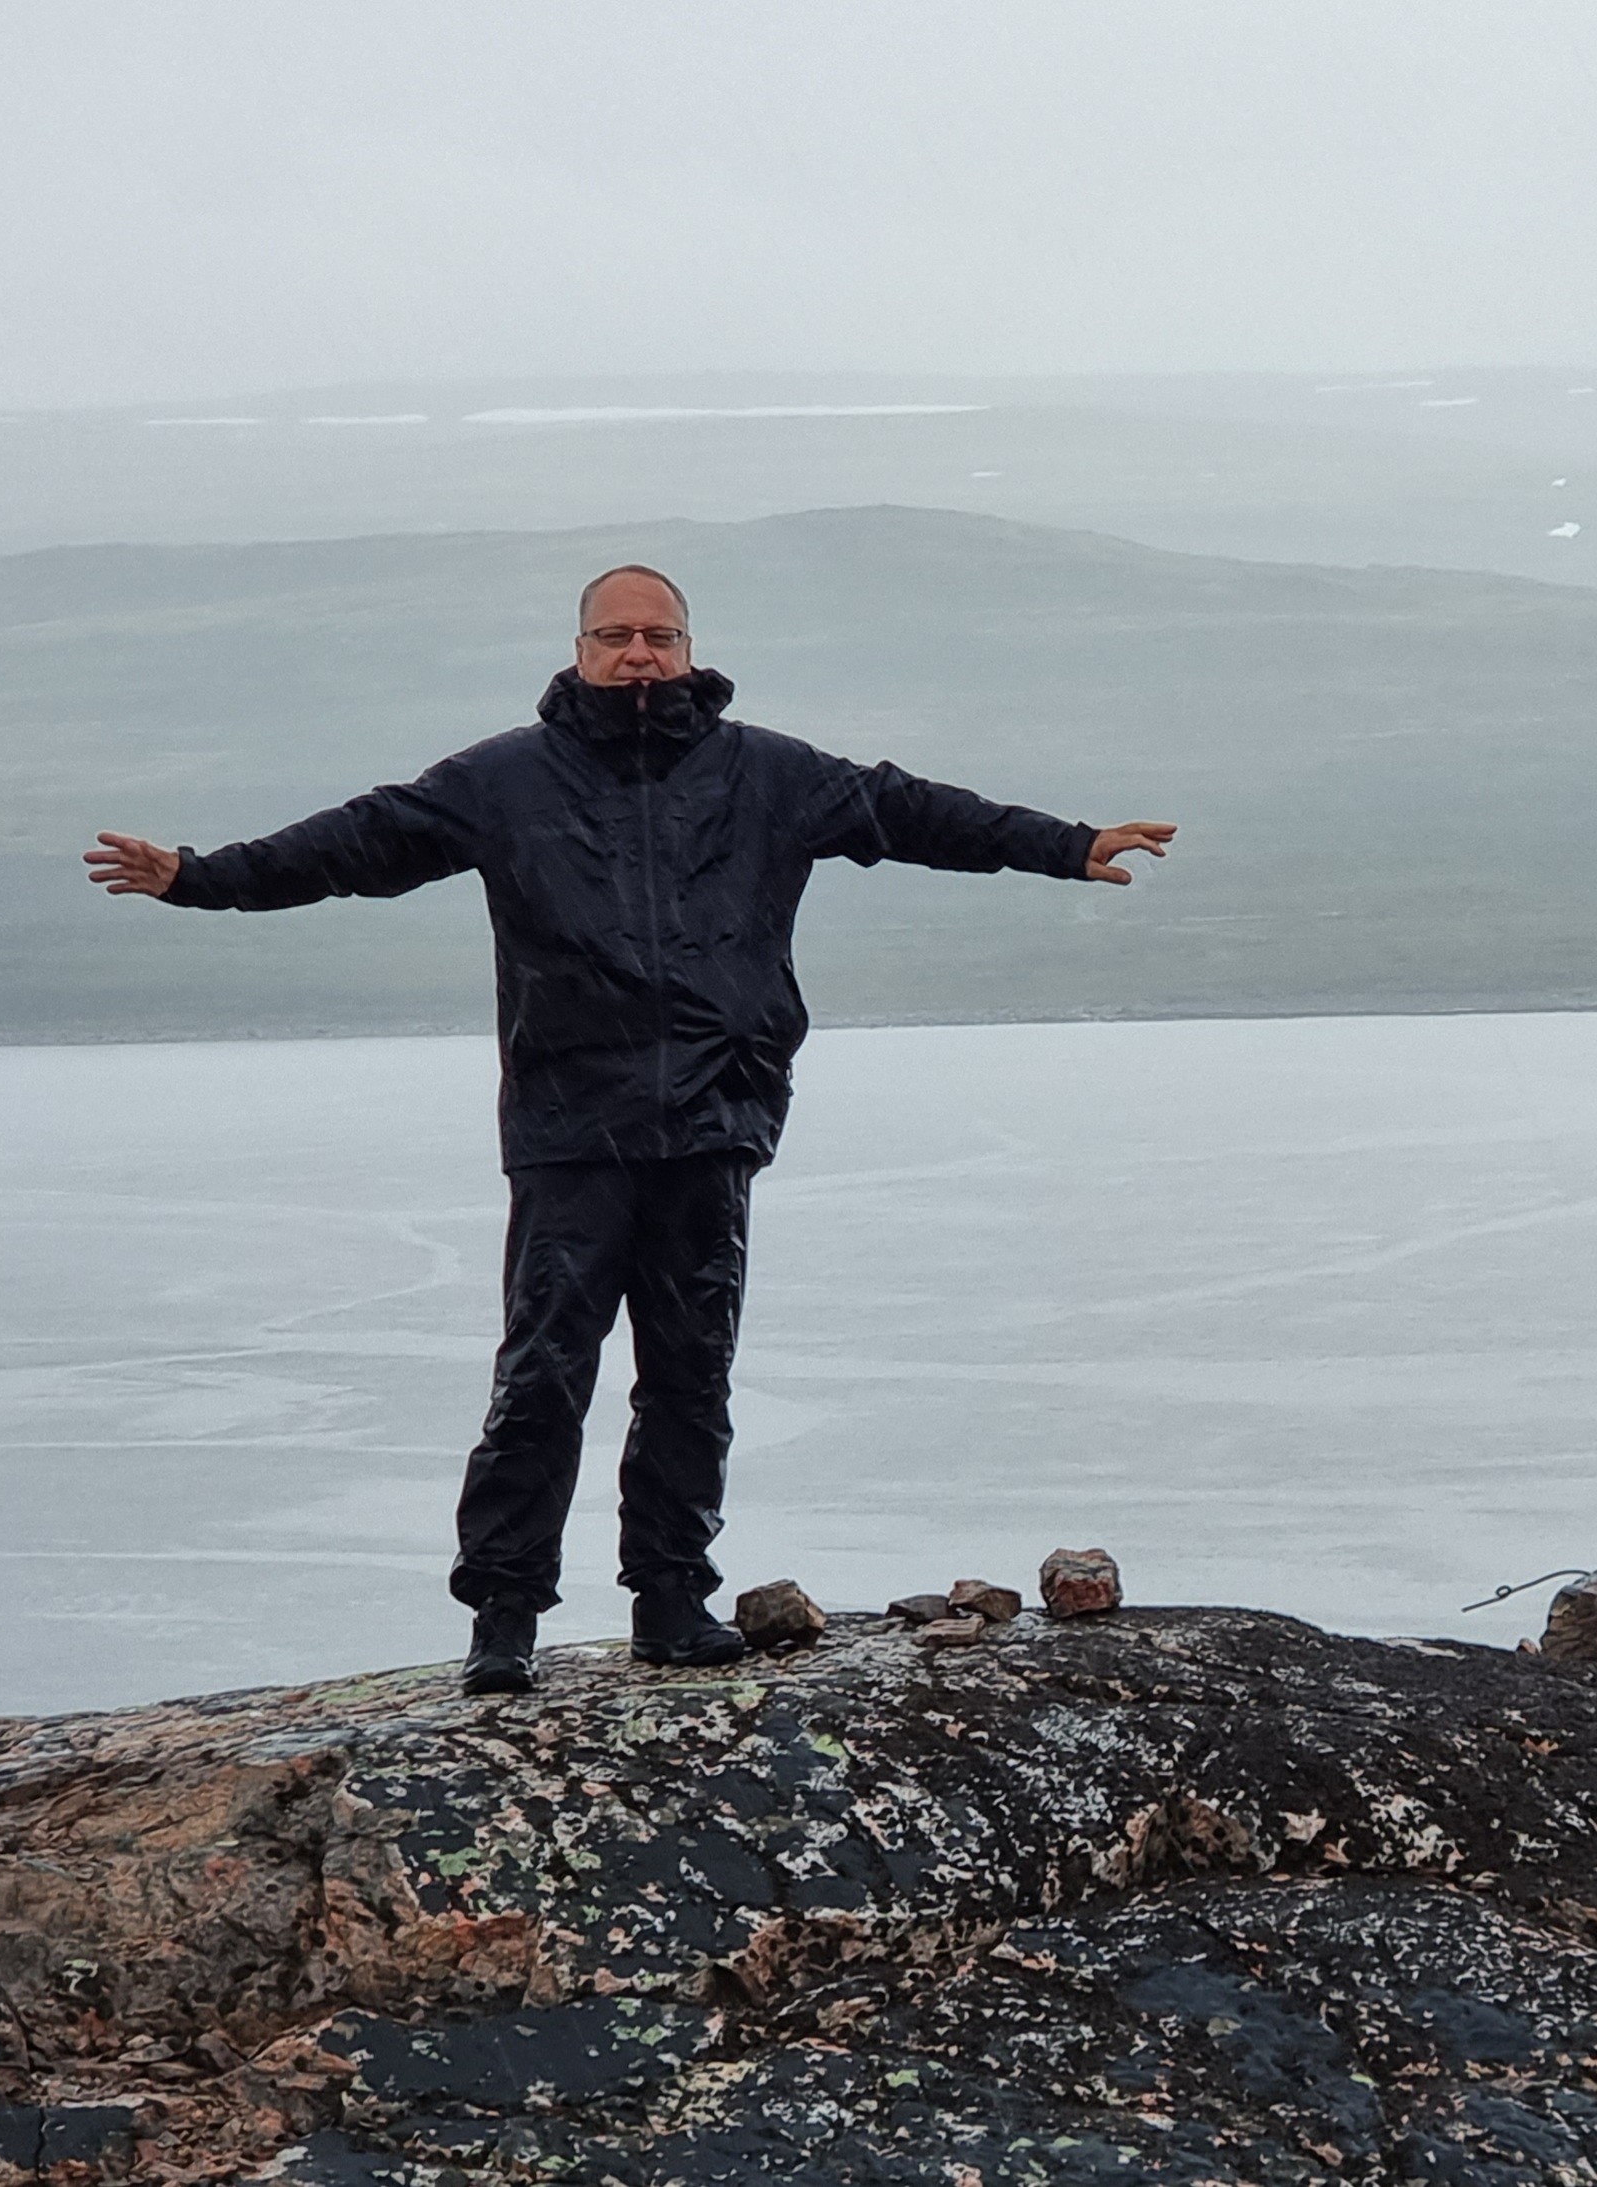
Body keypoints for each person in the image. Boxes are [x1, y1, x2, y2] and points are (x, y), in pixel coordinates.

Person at [86, 566, 1175, 1693]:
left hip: (715, 1114)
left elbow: (915, 813)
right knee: (543, 1372)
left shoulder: (772, 773)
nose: (640, 655)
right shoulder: (502, 778)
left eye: (659, 637)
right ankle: (502, 1617)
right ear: (579, 649)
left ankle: (671, 1598)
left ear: (692, 650)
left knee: (690, 1373)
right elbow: (357, 843)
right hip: (570, 1122)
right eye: (618, 637)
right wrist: (200, 879)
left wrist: (1067, 843)